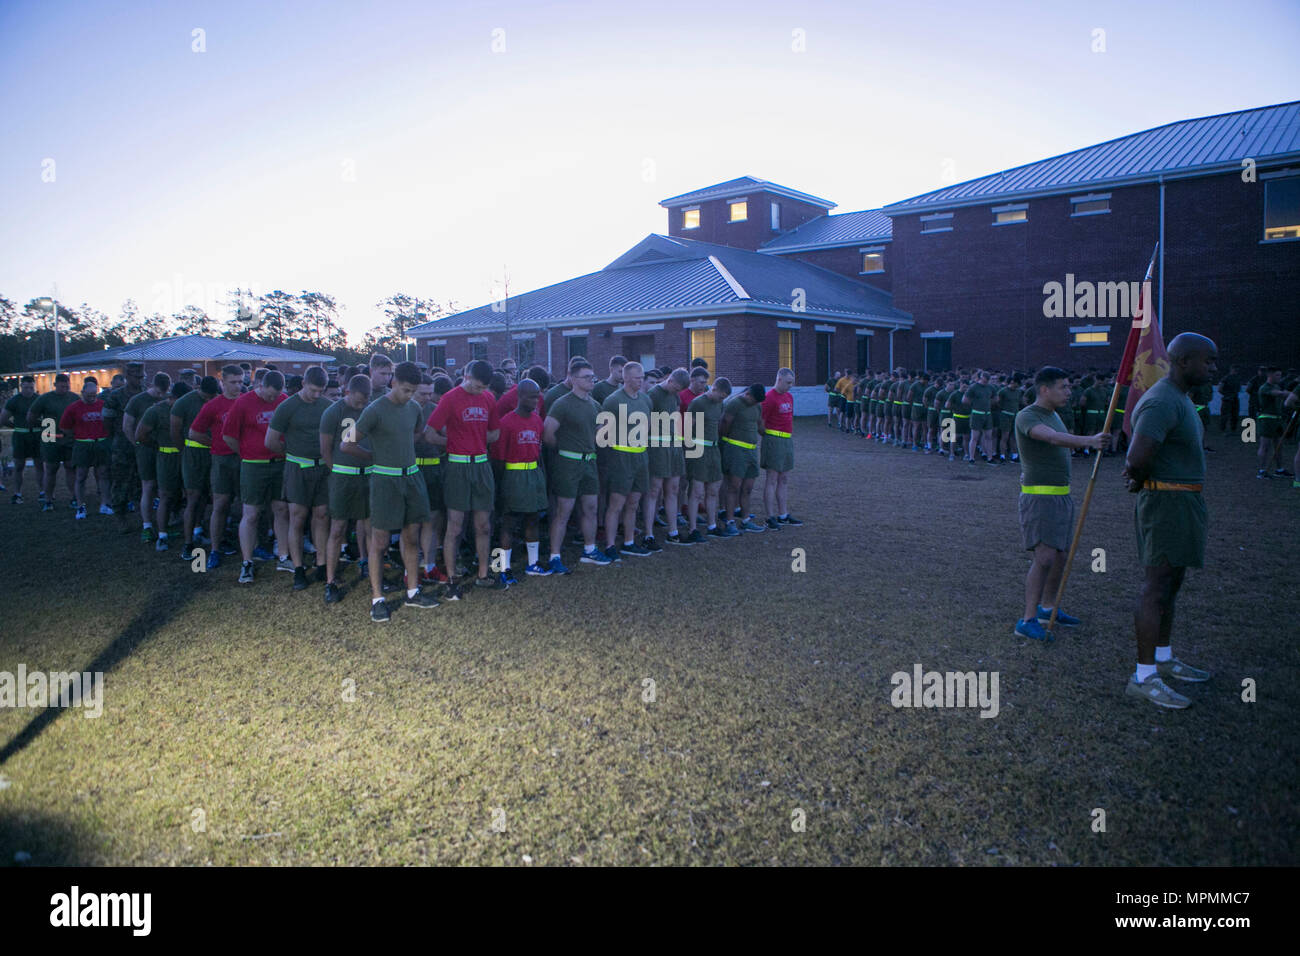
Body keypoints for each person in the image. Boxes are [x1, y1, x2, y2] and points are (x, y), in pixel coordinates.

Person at [1121, 333, 1218, 709]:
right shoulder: (1162, 400)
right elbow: (1138, 456)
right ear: (1182, 361)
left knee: (1171, 583)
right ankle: (1144, 677)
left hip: (1182, 501)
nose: (1212, 368)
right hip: (1166, 503)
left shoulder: (1180, 399)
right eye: (1207, 361)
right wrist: (1141, 479)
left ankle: (1164, 656)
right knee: (1156, 586)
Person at [1011, 367, 1112, 641]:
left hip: (1061, 496)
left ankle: (1047, 608)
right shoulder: (1028, 415)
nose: (1069, 392)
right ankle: (1028, 619)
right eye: (1063, 387)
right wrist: (1089, 441)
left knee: (1060, 557)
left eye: (1069, 387)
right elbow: (1053, 439)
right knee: (1043, 558)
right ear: (1044, 389)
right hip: (1040, 497)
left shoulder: (1054, 414)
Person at [344, 361, 439, 621]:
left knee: (411, 538)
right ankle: (377, 599)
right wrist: (374, 457)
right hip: (385, 482)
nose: (410, 396)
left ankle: (412, 592)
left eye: (414, 391)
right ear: (393, 382)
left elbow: (416, 435)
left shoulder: (414, 409)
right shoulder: (374, 410)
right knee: (380, 541)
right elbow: (346, 444)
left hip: (412, 478)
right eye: (406, 390)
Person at [425, 359, 499, 597]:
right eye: (477, 386)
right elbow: (429, 433)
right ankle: (452, 579)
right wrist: (454, 444)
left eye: (483, 387)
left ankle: (483, 574)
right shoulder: (450, 398)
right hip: (457, 467)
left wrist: (475, 441)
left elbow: (495, 432)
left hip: (481, 466)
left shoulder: (488, 398)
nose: (480, 391)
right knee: (455, 526)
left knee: (483, 525)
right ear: (466, 377)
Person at [266, 365, 332, 590]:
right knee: (297, 516)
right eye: (313, 390)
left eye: (320, 391)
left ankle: (322, 564)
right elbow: (271, 440)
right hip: (297, 468)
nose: (316, 395)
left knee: (322, 515)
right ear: (303, 383)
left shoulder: (327, 406)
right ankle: (298, 568)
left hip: (323, 468)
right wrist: (291, 455)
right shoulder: (287, 406)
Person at [224, 370, 290, 584]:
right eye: (269, 395)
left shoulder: (283, 400)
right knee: (251, 514)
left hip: (279, 464)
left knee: (281, 509)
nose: (272, 400)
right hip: (253, 466)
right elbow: (228, 435)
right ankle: (247, 562)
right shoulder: (243, 403)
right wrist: (245, 453)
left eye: (276, 396)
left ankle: (283, 555)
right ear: (260, 385)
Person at [543, 359, 604, 570]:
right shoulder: (562, 403)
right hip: (568, 463)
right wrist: (563, 449)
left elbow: (597, 433)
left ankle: (590, 549)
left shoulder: (595, 405)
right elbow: (548, 433)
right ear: (574, 378)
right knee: (564, 510)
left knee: (591, 507)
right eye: (587, 377)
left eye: (592, 377)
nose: (591, 381)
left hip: (589, 462)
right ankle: (554, 557)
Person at [319, 373, 373, 604]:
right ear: (347, 392)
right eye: (358, 401)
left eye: (365, 401)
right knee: (338, 527)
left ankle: (372, 572)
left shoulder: (371, 410)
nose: (361, 405)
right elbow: (326, 449)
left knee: (371, 526)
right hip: (343, 478)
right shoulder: (333, 412)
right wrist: (337, 471)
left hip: (367, 476)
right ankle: (330, 581)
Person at [188, 366, 243, 566]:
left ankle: (253, 546)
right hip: (222, 460)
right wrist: (216, 444)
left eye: (240, 381)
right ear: (223, 382)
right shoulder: (213, 405)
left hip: (245, 459)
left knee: (250, 506)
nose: (237, 386)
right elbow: (194, 433)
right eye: (233, 382)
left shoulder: (247, 401)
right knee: (221, 504)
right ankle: (215, 548)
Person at [495, 378, 549, 579]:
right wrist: (501, 484)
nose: (535, 401)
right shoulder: (506, 422)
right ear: (519, 396)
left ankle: (533, 564)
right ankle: (503, 568)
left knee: (533, 519)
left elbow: (539, 451)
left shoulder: (537, 420)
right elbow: (498, 459)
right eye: (531, 396)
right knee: (509, 522)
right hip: (513, 474)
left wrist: (542, 475)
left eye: (537, 397)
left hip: (533, 473)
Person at [600, 360, 652, 559]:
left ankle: (629, 542)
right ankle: (610, 545)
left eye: (642, 378)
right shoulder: (613, 401)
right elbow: (603, 433)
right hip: (620, 457)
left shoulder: (645, 400)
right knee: (616, 503)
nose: (641, 381)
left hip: (641, 456)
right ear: (626, 378)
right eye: (637, 378)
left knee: (633, 503)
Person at [137, 382, 191, 551]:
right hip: (166, 456)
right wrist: (158, 445)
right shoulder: (156, 411)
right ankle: (162, 534)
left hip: (187, 455)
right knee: (165, 495)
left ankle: (193, 530)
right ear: (172, 398)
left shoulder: (189, 409)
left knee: (192, 494)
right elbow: (141, 434)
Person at [172, 375, 219, 559]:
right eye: (206, 396)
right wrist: (182, 450)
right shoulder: (184, 402)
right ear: (199, 389)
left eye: (212, 397)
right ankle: (188, 542)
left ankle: (207, 532)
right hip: (193, 454)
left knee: (213, 496)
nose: (209, 400)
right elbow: (175, 429)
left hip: (214, 453)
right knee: (193, 497)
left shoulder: (218, 399)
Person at [642, 367, 689, 549]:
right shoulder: (653, 394)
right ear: (670, 381)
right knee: (654, 491)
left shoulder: (675, 396)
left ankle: (673, 532)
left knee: (673, 489)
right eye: (676, 388)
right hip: (657, 447)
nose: (677, 393)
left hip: (673, 446)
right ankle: (648, 534)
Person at [59, 376, 111, 519]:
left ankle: (105, 504)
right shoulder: (73, 408)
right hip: (83, 443)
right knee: (81, 475)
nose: (92, 398)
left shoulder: (102, 405)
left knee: (104, 474)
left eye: (94, 395)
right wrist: (79, 435)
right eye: (89, 396)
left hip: (100, 442)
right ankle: (81, 506)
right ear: (82, 393)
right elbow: (65, 427)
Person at [720, 383, 766, 533]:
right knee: (733, 486)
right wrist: (724, 441)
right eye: (754, 400)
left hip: (752, 451)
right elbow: (725, 423)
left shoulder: (757, 405)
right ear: (748, 395)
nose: (755, 404)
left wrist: (768, 434)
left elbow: (759, 425)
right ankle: (730, 521)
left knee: (748, 488)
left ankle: (746, 520)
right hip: (736, 450)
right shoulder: (734, 403)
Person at [28, 373, 77, 511]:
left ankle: (74, 497)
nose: (64, 388)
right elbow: (31, 416)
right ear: (55, 385)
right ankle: (48, 499)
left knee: (70, 467)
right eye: (61, 386)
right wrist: (43, 425)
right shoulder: (45, 398)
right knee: (50, 469)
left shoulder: (74, 398)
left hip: (68, 438)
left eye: (67, 386)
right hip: (50, 437)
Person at [759, 367, 800, 530]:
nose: (790, 386)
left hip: (786, 440)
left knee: (784, 479)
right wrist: (768, 436)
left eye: (792, 383)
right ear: (779, 380)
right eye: (788, 382)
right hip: (773, 439)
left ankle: (783, 514)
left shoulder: (789, 397)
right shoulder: (769, 398)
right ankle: (769, 516)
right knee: (772, 479)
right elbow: (760, 421)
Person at [2, 376, 42, 504]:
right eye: (26, 387)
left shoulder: (39, 400)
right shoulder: (14, 401)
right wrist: (15, 426)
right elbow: (2, 419)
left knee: (40, 465)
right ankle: (17, 493)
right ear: (21, 387)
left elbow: (49, 418)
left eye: (31, 387)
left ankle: (43, 492)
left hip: (37, 435)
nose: (29, 390)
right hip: (20, 436)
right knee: (19, 466)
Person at [1255, 367, 1295, 479]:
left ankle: (1279, 469)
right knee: (1265, 446)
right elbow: (1281, 394)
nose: (1280, 378)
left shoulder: (1276, 386)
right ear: (1270, 375)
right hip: (1267, 419)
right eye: (1277, 375)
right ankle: (1262, 471)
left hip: (1277, 419)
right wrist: (1295, 393)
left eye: (1280, 375)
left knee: (1279, 445)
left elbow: (1283, 392)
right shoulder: (1265, 388)